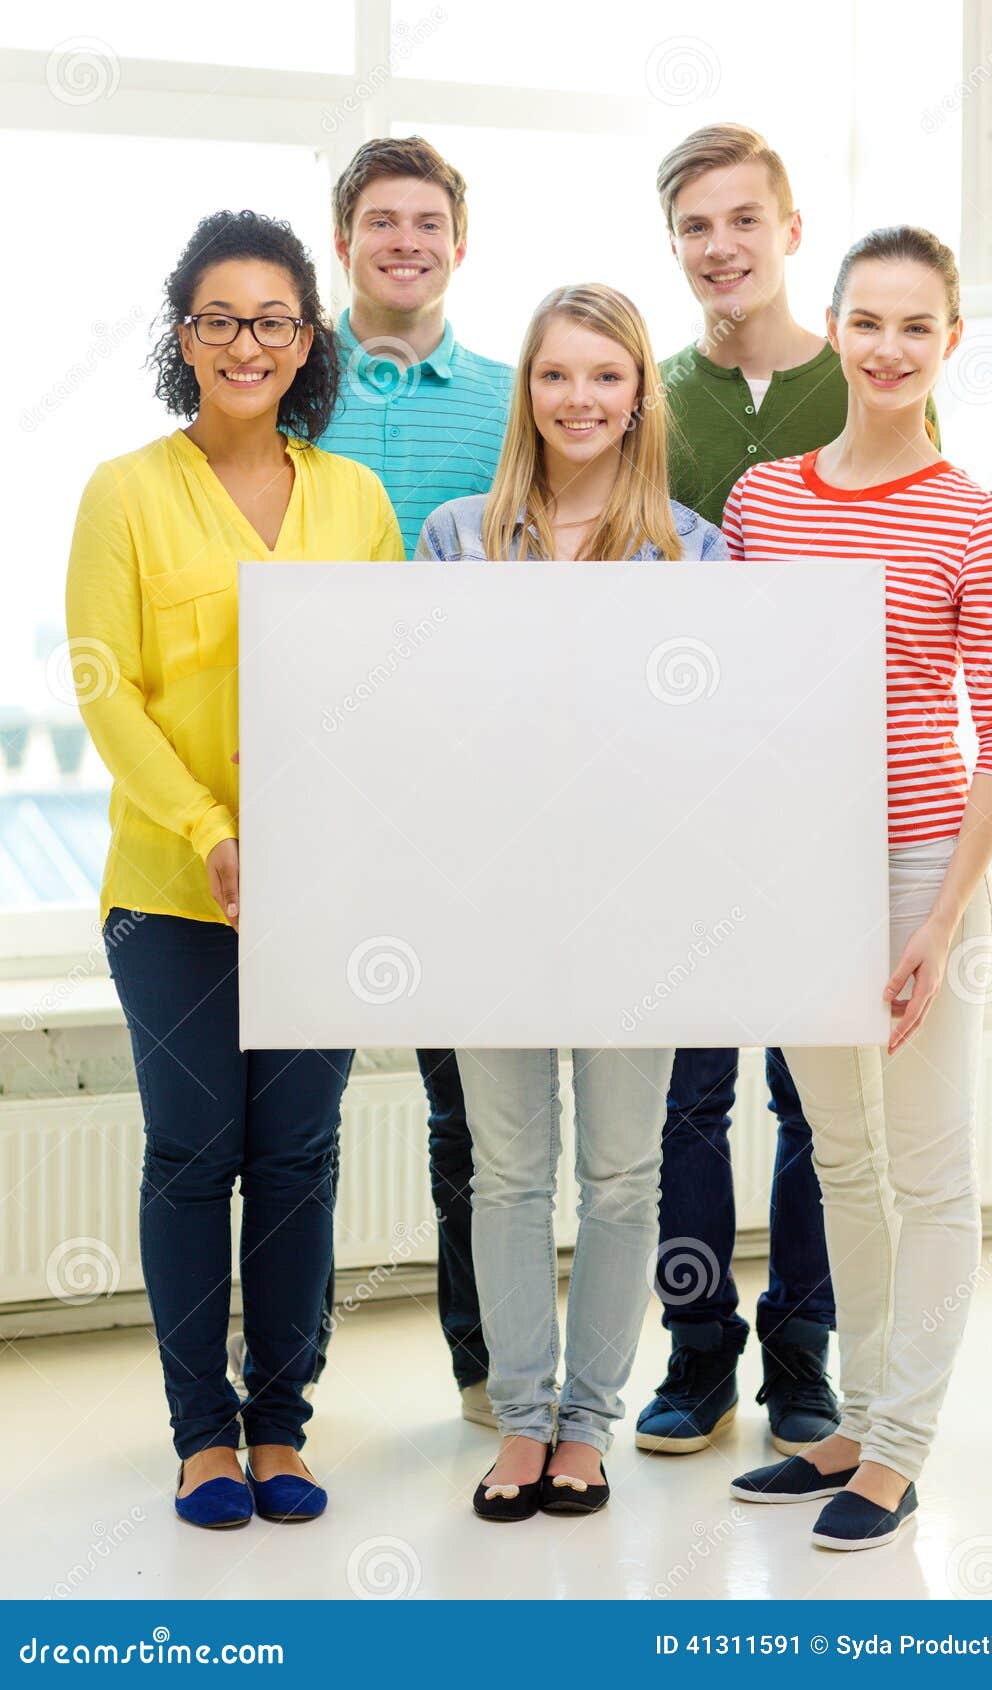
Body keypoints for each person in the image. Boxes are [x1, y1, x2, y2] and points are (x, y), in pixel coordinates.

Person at [66, 210, 404, 1530]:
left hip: (321, 890)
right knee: (193, 1154)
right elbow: (107, 689)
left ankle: (282, 1425)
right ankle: (201, 1434)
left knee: (301, 1158)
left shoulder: (354, 498)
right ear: (183, 335)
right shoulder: (125, 492)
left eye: (272, 319)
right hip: (172, 892)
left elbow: (386, 686)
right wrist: (210, 829)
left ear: (306, 338)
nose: (245, 342)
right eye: (219, 318)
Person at [726, 226, 992, 1549]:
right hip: (797, 866)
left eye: (916, 326)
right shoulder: (760, 502)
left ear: (946, 342)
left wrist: (938, 915)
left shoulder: (972, 517)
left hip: (921, 869)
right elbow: (729, 702)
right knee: (838, 1156)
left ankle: (897, 1449)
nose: (888, 348)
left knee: (926, 1167)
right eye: (868, 321)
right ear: (833, 328)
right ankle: (852, 1419)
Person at [636, 124, 940, 1459]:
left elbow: (929, 551)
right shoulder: (651, 395)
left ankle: (799, 1361)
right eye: (694, 229)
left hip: (833, 811)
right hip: (692, 808)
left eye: (741, 222)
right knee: (689, 1094)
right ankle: (695, 1350)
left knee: (818, 1109)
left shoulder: (866, 377)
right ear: (675, 248)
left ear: (788, 229)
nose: (720, 249)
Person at [417, 283, 728, 1520]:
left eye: (606, 376)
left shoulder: (689, 550)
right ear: (527, 393)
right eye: (557, 375)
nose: (580, 399)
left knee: (618, 1174)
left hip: (633, 909)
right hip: (487, 902)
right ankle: (518, 1415)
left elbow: (709, 740)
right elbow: (429, 727)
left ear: (638, 393)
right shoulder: (454, 537)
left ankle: (585, 1423)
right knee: (504, 1173)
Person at [314, 136, 513, 1425]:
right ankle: (278, 1391)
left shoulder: (510, 396)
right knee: (293, 1107)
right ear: (342, 242)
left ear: (457, 241)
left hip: (465, 797)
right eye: (380, 221)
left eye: (427, 222)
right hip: (308, 782)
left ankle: (485, 1366)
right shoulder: (286, 377)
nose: (405, 241)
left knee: (465, 1109)